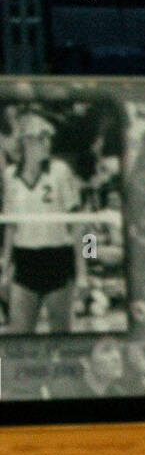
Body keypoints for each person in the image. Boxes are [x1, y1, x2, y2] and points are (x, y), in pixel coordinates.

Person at [0, 112, 86, 333]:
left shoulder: (60, 172)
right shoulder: (10, 177)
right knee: (19, 335)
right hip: (25, 262)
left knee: (62, 335)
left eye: (49, 138)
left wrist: (85, 271)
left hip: (58, 261)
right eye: (42, 137)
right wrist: (5, 269)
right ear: (26, 142)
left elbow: (82, 226)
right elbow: (11, 226)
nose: (48, 143)